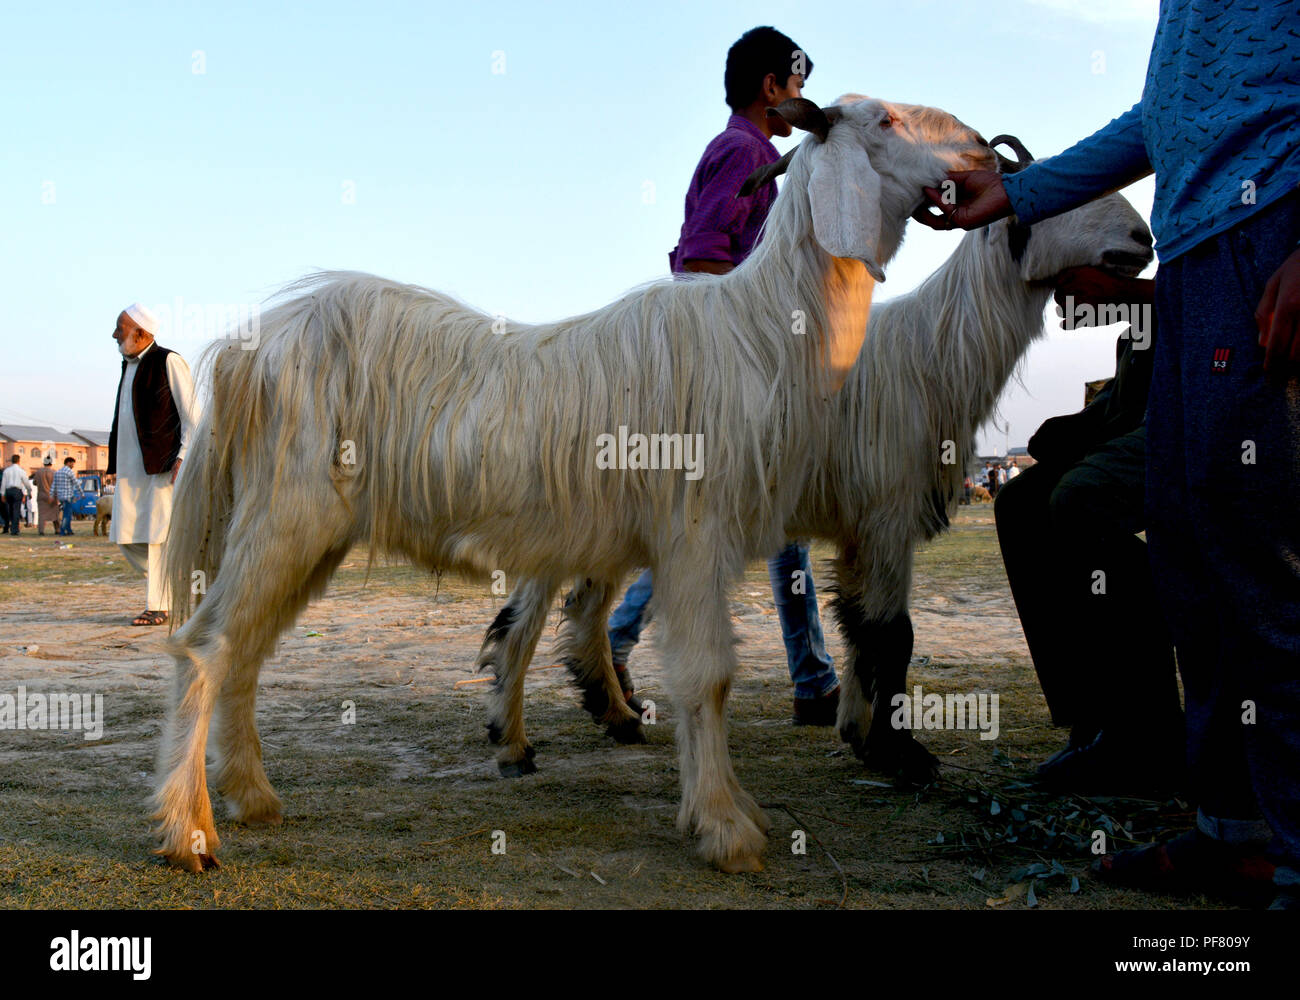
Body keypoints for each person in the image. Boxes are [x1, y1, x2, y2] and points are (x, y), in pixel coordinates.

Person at [918, 0, 1299, 908]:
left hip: (1269, 230)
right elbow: (1158, 118)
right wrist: (1019, 190)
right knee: (1187, 542)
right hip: (1203, 249)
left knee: (1258, 552)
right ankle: (1231, 832)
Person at [607, 26, 840, 725]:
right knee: (716, 519)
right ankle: (616, 639)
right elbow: (703, 261)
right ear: (773, 87)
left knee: (763, 519)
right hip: (731, 375)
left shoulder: (755, 153)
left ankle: (813, 680)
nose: (802, 98)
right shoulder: (746, 152)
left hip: (738, 369)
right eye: (798, 85)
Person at [996, 267, 1183, 796]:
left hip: (1227, 406)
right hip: (1164, 401)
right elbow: (1131, 401)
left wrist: (1130, 293)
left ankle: (1146, 734)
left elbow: (1225, 305)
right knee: (1021, 501)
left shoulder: (1244, 207)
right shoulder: (1145, 319)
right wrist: (1080, 425)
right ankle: (1094, 719)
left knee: (1082, 500)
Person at [109, 302, 200, 627]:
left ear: (140, 332)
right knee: (125, 535)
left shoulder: (169, 361)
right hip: (131, 471)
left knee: (158, 537)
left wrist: (183, 457)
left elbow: (193, 415)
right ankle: (174, 574)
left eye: (120, 328)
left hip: (163, 466)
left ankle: (158, 605)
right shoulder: (129, 365)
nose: (114, 334)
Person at [1, 455, 33, 536]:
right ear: (19, 461)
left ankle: (12, 526)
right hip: (17, 491)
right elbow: (26, 483)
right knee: (16, 509)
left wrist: (2, 494)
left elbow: (3, 483)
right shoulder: (21, 471)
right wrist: (29, 492)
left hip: (8, 491)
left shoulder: (6, 471)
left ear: (11, 461)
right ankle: (14, 529)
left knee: (10, 509)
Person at [51, 457, 82, 536]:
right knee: (67, 515)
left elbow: (54, 485)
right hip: (68, 496)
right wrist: (82, 493)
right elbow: (76, 483)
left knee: (67, 513)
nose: (73, 465)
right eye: (72, 463)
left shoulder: (57, 472)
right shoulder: (70, 472)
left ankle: (69, 530)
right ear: (68, 463)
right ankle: (62, 530)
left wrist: (51, 495)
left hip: (60, 496)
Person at [32, 456, 58, 536]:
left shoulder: (38, 472)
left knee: (42, 514)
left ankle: (41, 531)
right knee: (55, 514)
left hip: (41, 495)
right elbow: (56, 485)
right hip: (52, 496)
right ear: (51, 463)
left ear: (44, 462)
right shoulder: (54, 472)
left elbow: (34, 482)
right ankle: (57, 529)